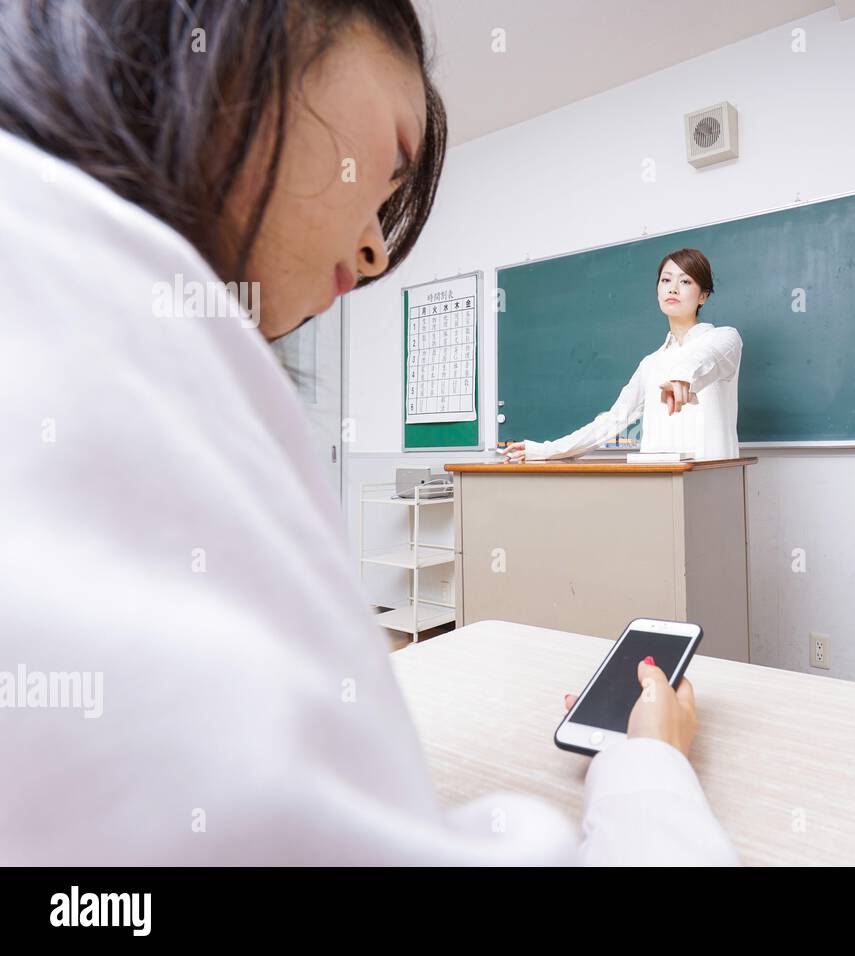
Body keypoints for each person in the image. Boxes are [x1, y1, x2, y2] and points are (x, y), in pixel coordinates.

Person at [0, 0, 738, 866]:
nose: (377, 253)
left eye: (680, 280)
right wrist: (648, 764)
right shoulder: (91, 337)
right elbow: (612, 421)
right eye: (389, 168)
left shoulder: (713, 345)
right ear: (244, 38)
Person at [503, 249, 743, 463]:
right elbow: (613, 421)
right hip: (657, 484)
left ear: (703, 296)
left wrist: (683, 377)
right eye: (666, 280)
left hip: (712, 485)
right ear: (658, 291)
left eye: (686, 281)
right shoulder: (651, 363)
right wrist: (544, 451)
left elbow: (706, 357)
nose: (673, 288)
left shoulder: (725, 339)